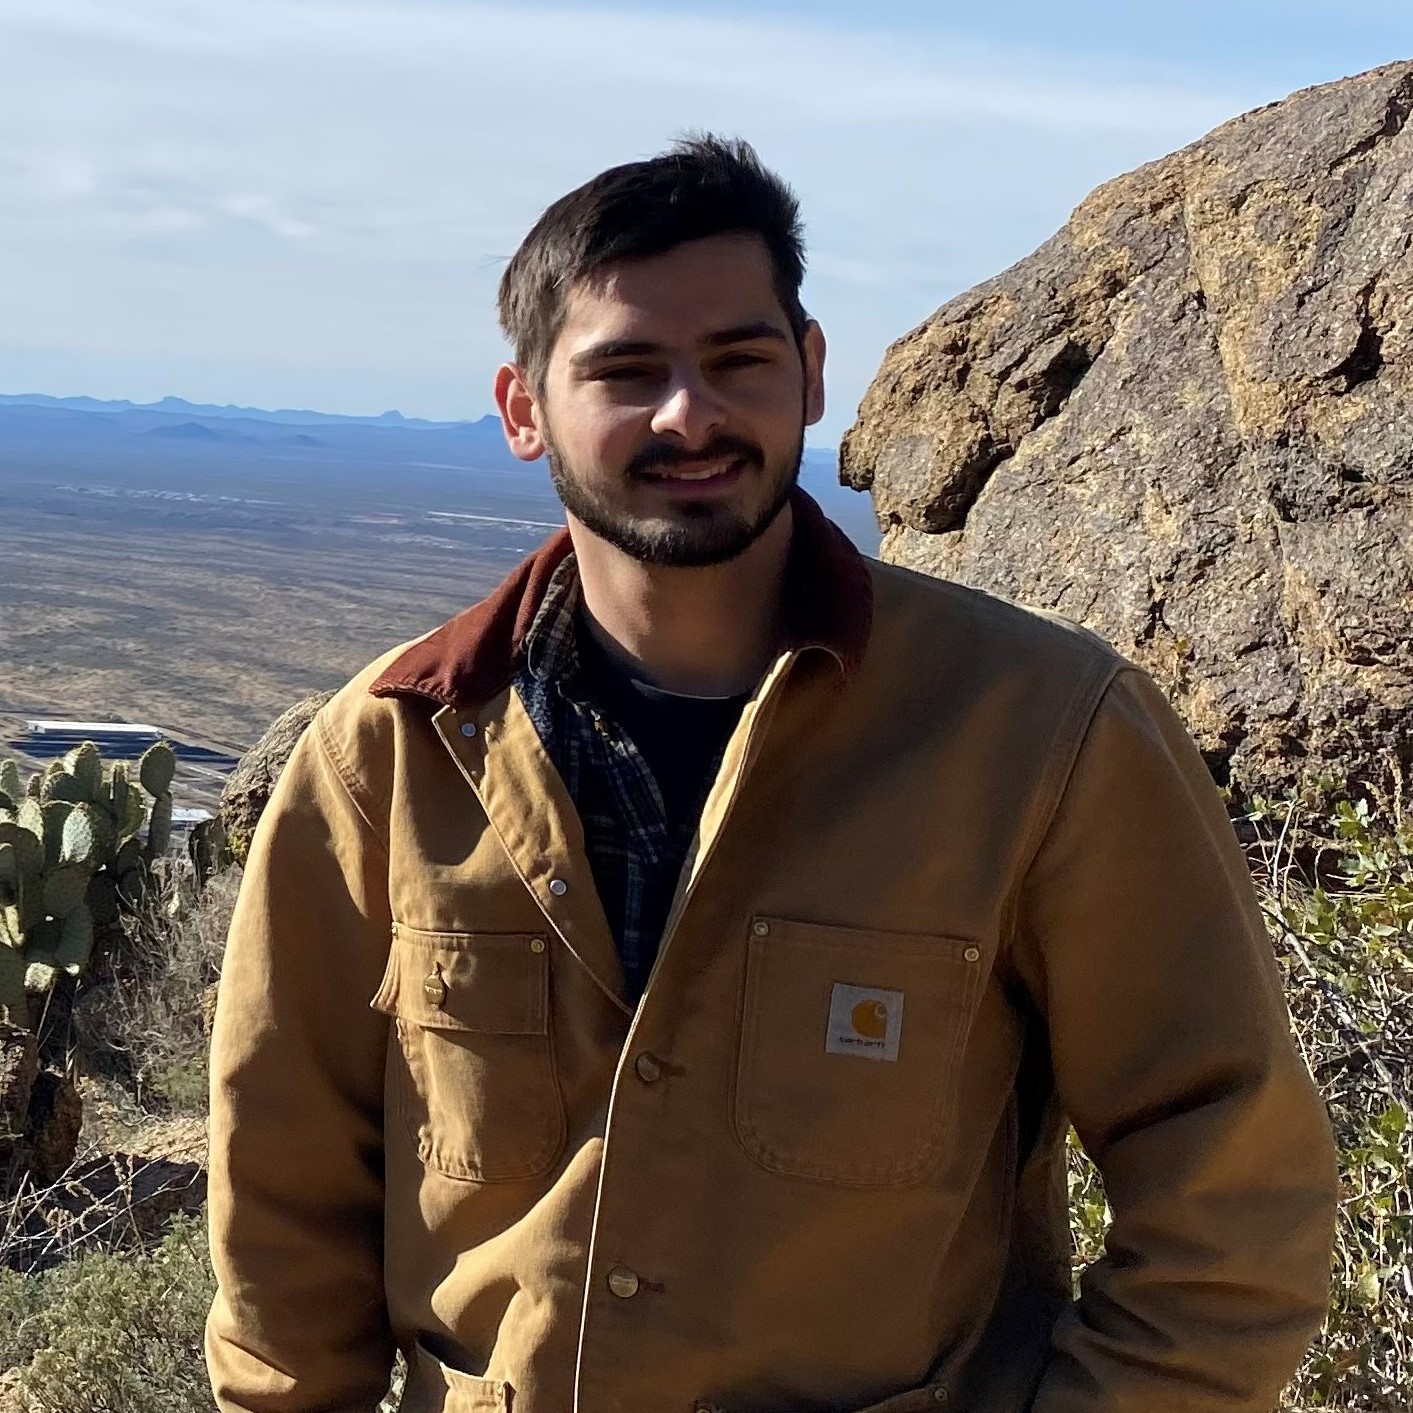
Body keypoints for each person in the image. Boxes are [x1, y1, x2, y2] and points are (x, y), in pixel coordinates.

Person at [206, 135, 1338, 1413]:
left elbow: (1230, 1179)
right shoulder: (388, 754)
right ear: (524, 410)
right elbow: (283, 1207)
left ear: (806, 375)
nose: (689, 412)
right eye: (626, 371)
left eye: (737, 360)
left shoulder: (1039, 734)